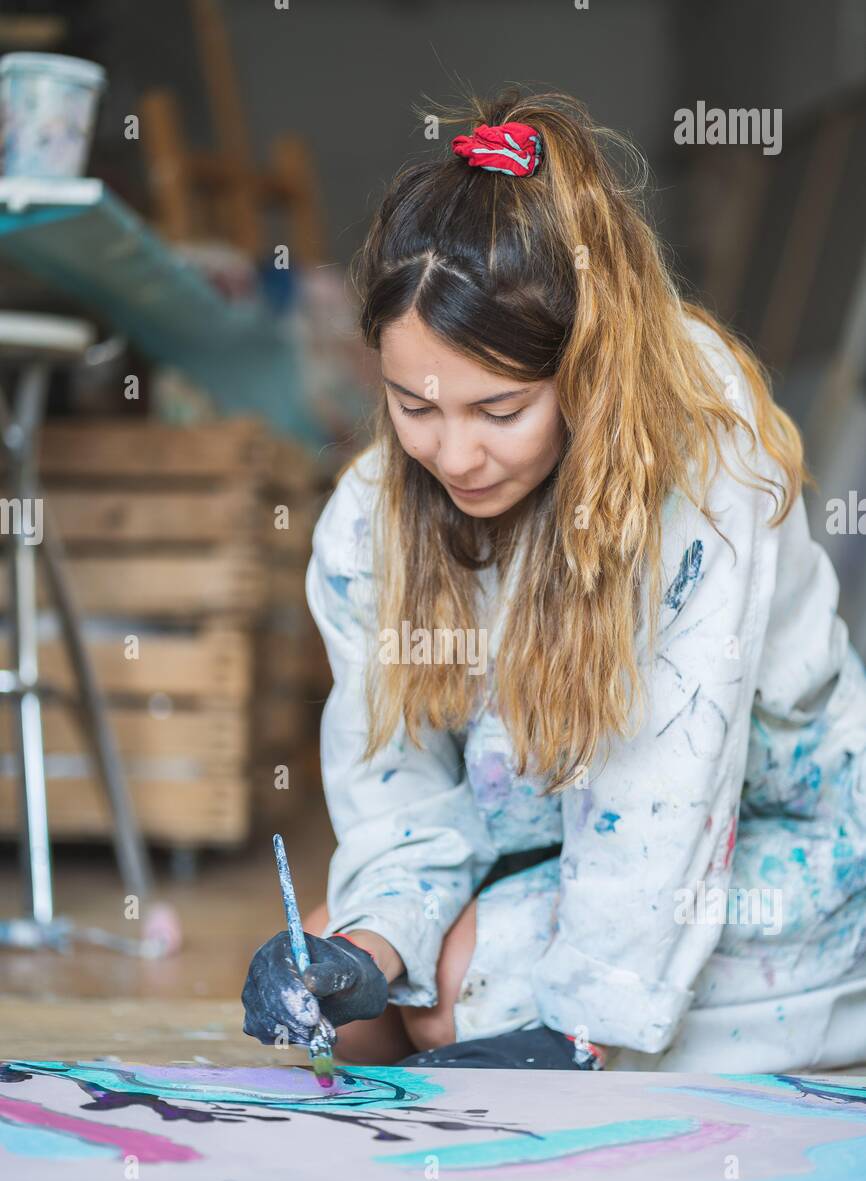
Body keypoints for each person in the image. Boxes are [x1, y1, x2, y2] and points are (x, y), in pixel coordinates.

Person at [243, 88, 866, 1073]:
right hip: (542, 837)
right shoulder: (368, 519)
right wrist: (364, 948)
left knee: (457, 995)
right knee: (349, 986)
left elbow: (664, 794)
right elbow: (397, 799)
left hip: (768, 840)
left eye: (499, 410)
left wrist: (582, 1032)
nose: (454, 453)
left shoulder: (698, 467)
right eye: (415, 405)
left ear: (584, 365)